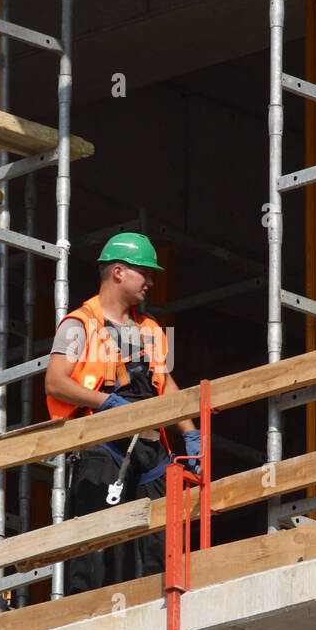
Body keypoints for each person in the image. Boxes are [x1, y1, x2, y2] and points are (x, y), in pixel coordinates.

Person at [45, 232, 200, 595]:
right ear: (118, 272)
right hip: (102, 441)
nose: (150, 281)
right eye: (144, 273)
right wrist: (107, 403)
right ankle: (84, 616)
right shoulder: (78, 325)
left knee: (163, 540)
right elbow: (55, 382)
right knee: (91, 544)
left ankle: (158, 608)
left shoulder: (154, 331)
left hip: (149, 445)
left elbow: (167, 384)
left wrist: (190, 434)